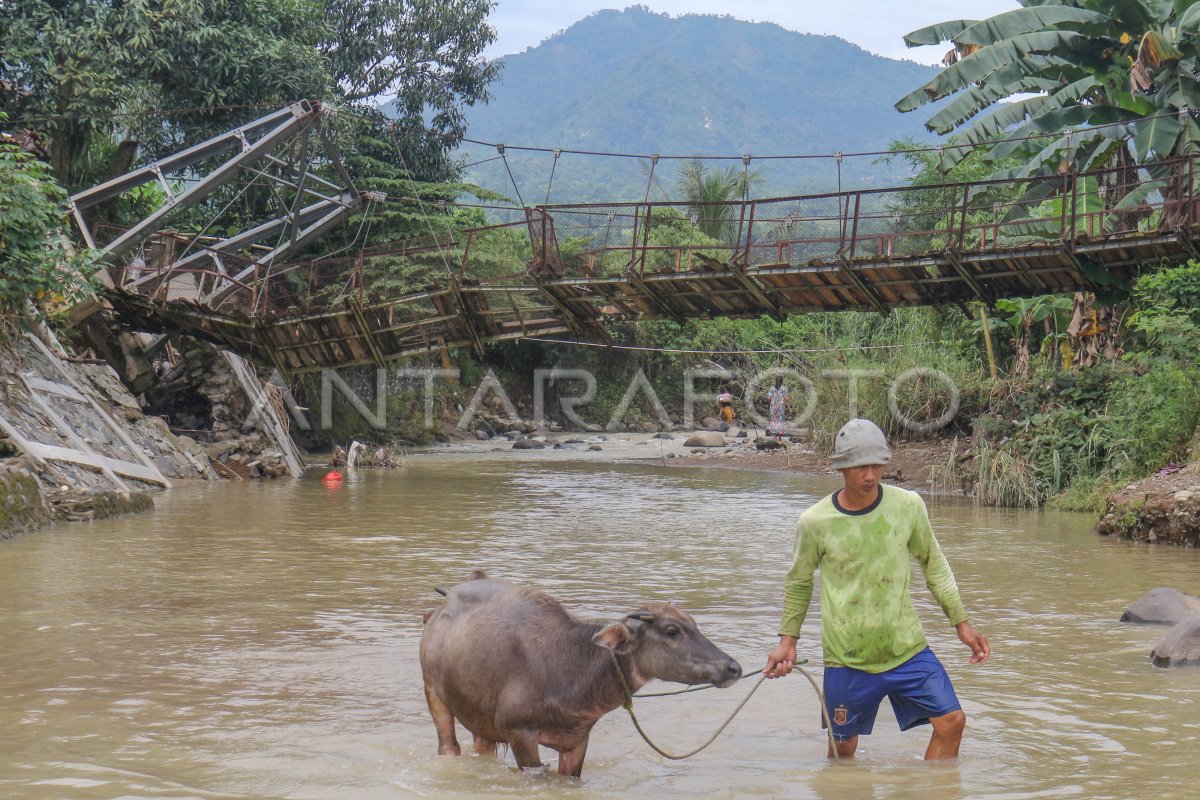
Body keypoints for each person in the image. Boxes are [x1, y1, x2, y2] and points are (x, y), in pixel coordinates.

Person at [763, 418, 989, 760]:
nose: (870, 475)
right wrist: (787, 642)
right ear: (842, 468)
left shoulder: (908, 506)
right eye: (860, 467)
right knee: (842, 750)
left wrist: (961, 623)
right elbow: (798, 581)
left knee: (952, 722)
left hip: (906, 649)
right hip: (847, 658)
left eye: (876, 465)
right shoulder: (815, 521)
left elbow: (934, 564)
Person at [766, 374, 790, 439]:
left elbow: (768, 398)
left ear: (775, 381)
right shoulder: (784, 388)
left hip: (773, 407)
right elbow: (786, 398)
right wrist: (789, 407)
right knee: (780, 421)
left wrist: (769, 405)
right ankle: (779, 438)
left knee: (774, 422)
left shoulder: (772, 388)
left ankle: (775, 438)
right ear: (782, 381)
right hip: (780, 407)